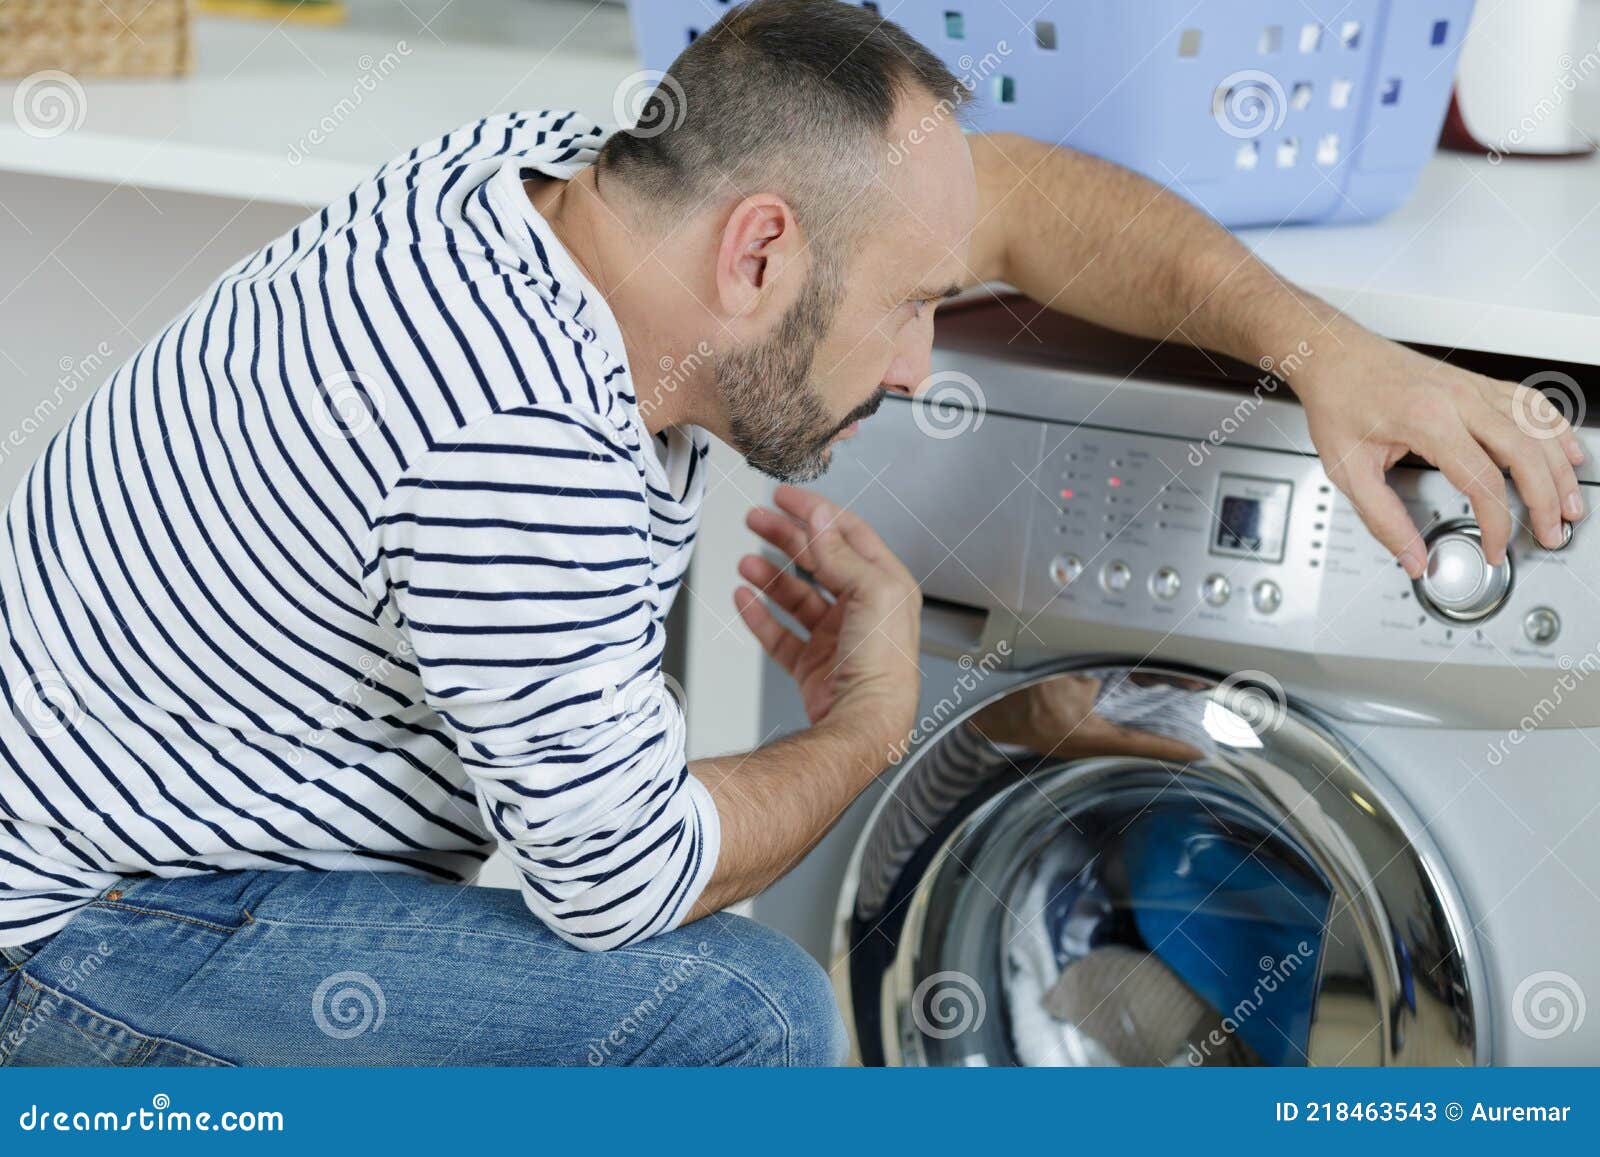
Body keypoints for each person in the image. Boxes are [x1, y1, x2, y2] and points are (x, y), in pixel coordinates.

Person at [0, 0, 1581, 1067]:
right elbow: (625, 883)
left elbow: (1014, 204)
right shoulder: (509, 447)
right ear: (760, 252)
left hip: (126, 823)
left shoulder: (569, 179)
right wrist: (878, 719)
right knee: (737, 1013)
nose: (921, 361)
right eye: (905, 310)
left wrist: (1327, 354)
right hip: (79, 937)